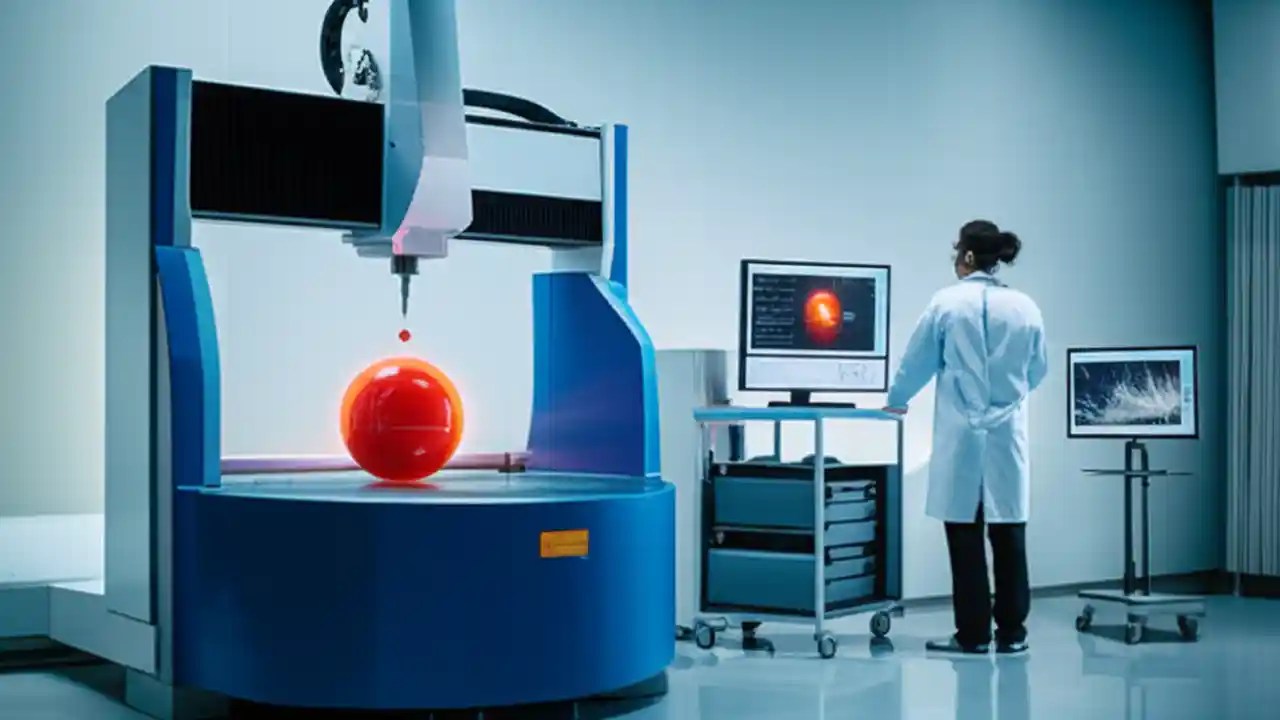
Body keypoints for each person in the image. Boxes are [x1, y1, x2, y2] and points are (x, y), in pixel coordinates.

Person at [883, 219, 1047, 656]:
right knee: (1010, 533)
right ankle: (1013, 633)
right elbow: (1039, 370)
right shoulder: (1026, 308)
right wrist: (1006, 397)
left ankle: (973, 635)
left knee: (964, 534)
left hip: (961, 435)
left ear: (968, 256)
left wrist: (896, 401)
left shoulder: (946, 303)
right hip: (1006, 436)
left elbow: (916, 360)